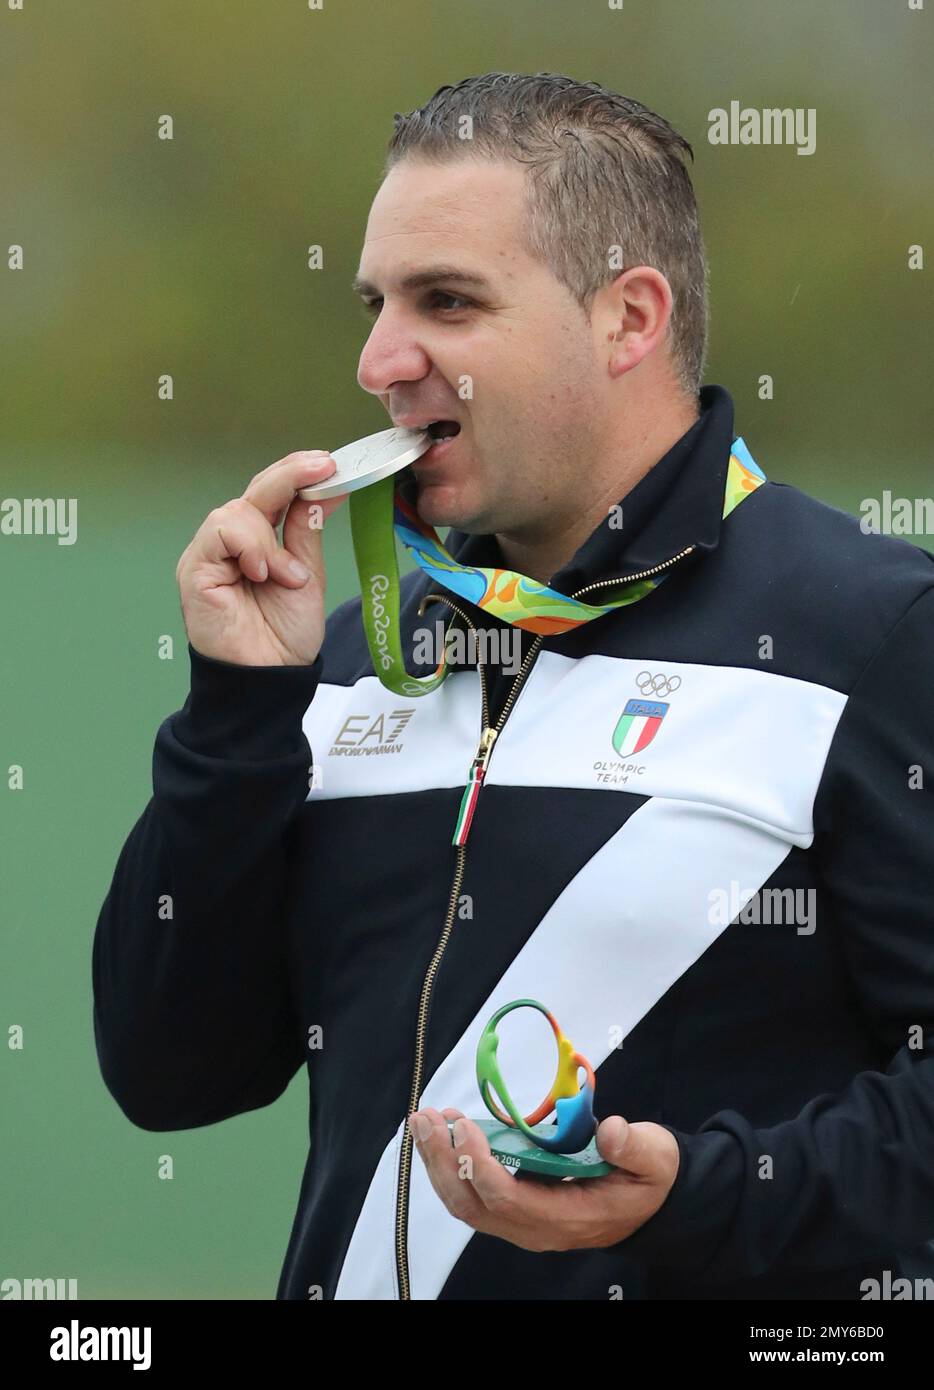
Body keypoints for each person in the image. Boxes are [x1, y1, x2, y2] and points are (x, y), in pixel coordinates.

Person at [93, 71, 934, 1301]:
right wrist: (235, 715)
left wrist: (702, 1195)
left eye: (446, 301)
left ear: (627, 318)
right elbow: (171, 1074)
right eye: (375, 302)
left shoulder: (869, 632)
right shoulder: (346, 657)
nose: (381, 358)